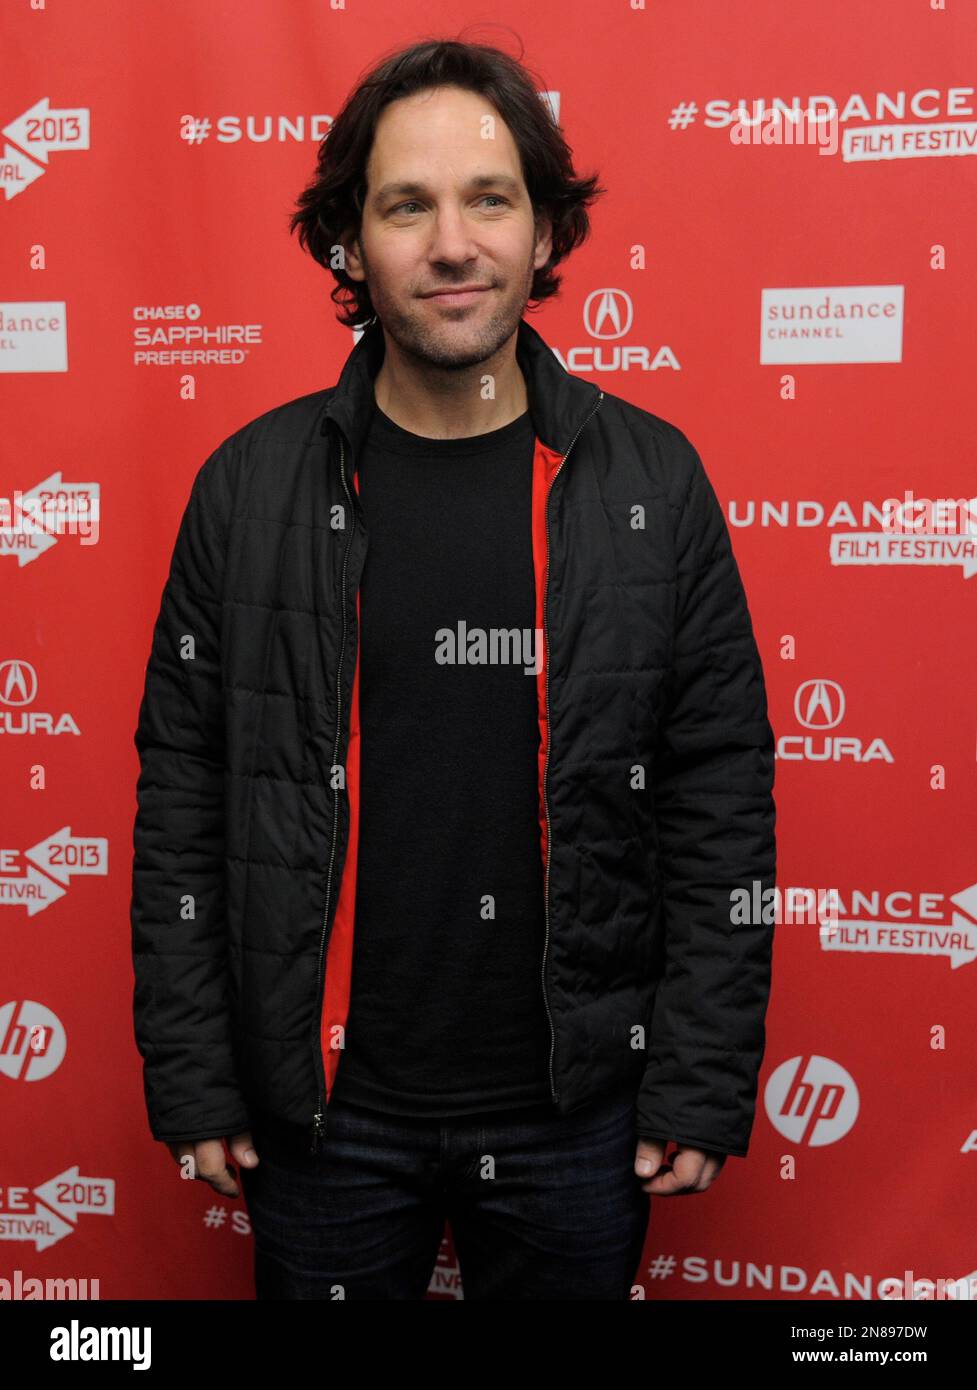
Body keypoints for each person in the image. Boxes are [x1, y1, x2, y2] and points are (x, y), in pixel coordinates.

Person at [130, 38, 777, 1301]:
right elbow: (185, 795)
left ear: (543, 236)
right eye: (404, 205)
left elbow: (717, 791)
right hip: (321, 1119)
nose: (449, 244)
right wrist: (195, 1067)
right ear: (349, 243)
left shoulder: (650, 483)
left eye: (488, 198)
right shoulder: (250, 489)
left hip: (572, 1112)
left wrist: (697, 1067)